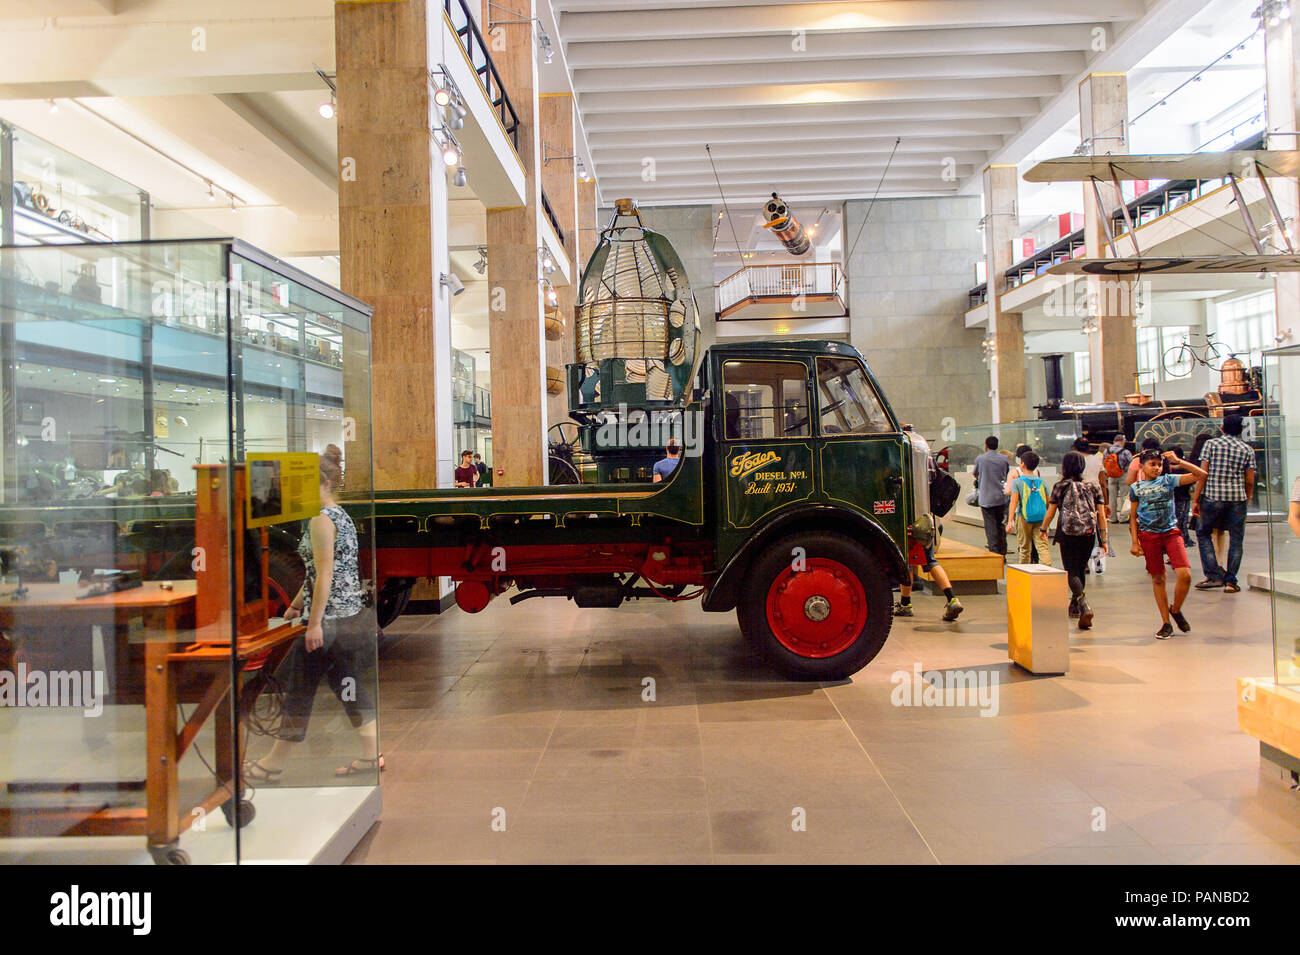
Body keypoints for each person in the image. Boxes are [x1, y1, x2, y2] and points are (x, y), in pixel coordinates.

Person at [245, 445, 380, 781]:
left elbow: (325, 576)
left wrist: (314, 623)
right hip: (346, 616)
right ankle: (371, 754)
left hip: (329, 620)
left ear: (324, 485)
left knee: (299, 689)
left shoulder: (321, 522)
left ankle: (274, 762)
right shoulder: (339, 517)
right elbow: (317, 572)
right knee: (346, 684)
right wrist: (294, 604)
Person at [1129, 449, 1207, 639]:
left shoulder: (1168, 480)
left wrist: (1179, 462)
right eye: (1152, 464)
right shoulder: (1136, 488)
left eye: (1159, 464)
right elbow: (1133, 517)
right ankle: (1165, 622)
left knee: (1185, 574)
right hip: (1149, 535)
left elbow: (1201, 475)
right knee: (1158, 578)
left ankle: (1176, 609)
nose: (1156, 467)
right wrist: (1135, 542)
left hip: (1171, 532)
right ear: (1141, 467)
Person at [1042, 450, 1107, 629]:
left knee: (1071, 570)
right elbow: (1101, 514)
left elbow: (1051, 511)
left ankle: (1083, 603)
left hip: (1067, 533)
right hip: (1088, 532)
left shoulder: (1060, 486)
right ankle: (1075, 606)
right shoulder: (1093, 486)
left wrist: (1043, 529)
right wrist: (1104, 539)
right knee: (1080, 568)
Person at [1193, 414, 1255, 593]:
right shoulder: (1247, 449)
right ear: (1241, 430)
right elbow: (1249, 480)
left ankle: (1214, 575)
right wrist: (1248, 497)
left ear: (1222, 428)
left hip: (1212, 496)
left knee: (1203, 533)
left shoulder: (1211, 445)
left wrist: (1196, 499)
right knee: (1236, 540)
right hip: (1237, 498)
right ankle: (1231, 581)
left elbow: (1202, 474)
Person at [894, 534, 964, 622]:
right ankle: (952, 599)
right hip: (926, 528)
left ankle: (905, 605)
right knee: (930, 561)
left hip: (910, 530)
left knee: (906, 562)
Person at [1006, 450, 1052, 566]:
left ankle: (1024, 573)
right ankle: (1047, 572)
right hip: (1041, 518)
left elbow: (1014, 501)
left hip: (1023, 517)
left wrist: (1010, 521)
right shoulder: (1042, 482)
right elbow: (1049, 502)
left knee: (1025, 548)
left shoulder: (1017, 482)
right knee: (1042, 547)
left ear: (1022, 464)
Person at [1187, 431, 1225, 568]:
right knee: (1219, 531)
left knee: (1207, 533)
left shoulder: (1195, 459)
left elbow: (1198, 479)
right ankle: (1220, 560)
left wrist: (1195, 500)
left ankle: (1213, 563)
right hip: (1220, 495)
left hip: (1205, 496)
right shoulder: (1218, 457)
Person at [973, 435, 1011, 555]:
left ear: (986, 446)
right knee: (1000, 525)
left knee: (990, 527)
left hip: (986, 498)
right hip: (1001, 497)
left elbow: (975, 474)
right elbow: (1006, 473)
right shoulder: (1004, 459)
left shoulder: (980, 459)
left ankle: (994, 553)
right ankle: (1003, 552)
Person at [1167, 444, 1194, 547]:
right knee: (1183, 521)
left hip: (1178, 498)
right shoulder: (1186, 467)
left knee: (1178, 522)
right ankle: (1185, 540)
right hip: (1184, 497)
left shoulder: (1174, 470)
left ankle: (1181, 543)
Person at [1103, 433, 1132, 523]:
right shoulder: (1125, 451)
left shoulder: (1106, 451)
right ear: (1122, 442)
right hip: (1123, 475)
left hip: (1111, 476)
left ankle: (1112, 517)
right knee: (1123, 496)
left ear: (1114, 441)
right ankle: (1123, 518)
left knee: (1112, 497)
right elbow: (1131, 463)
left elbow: (1104, 463)